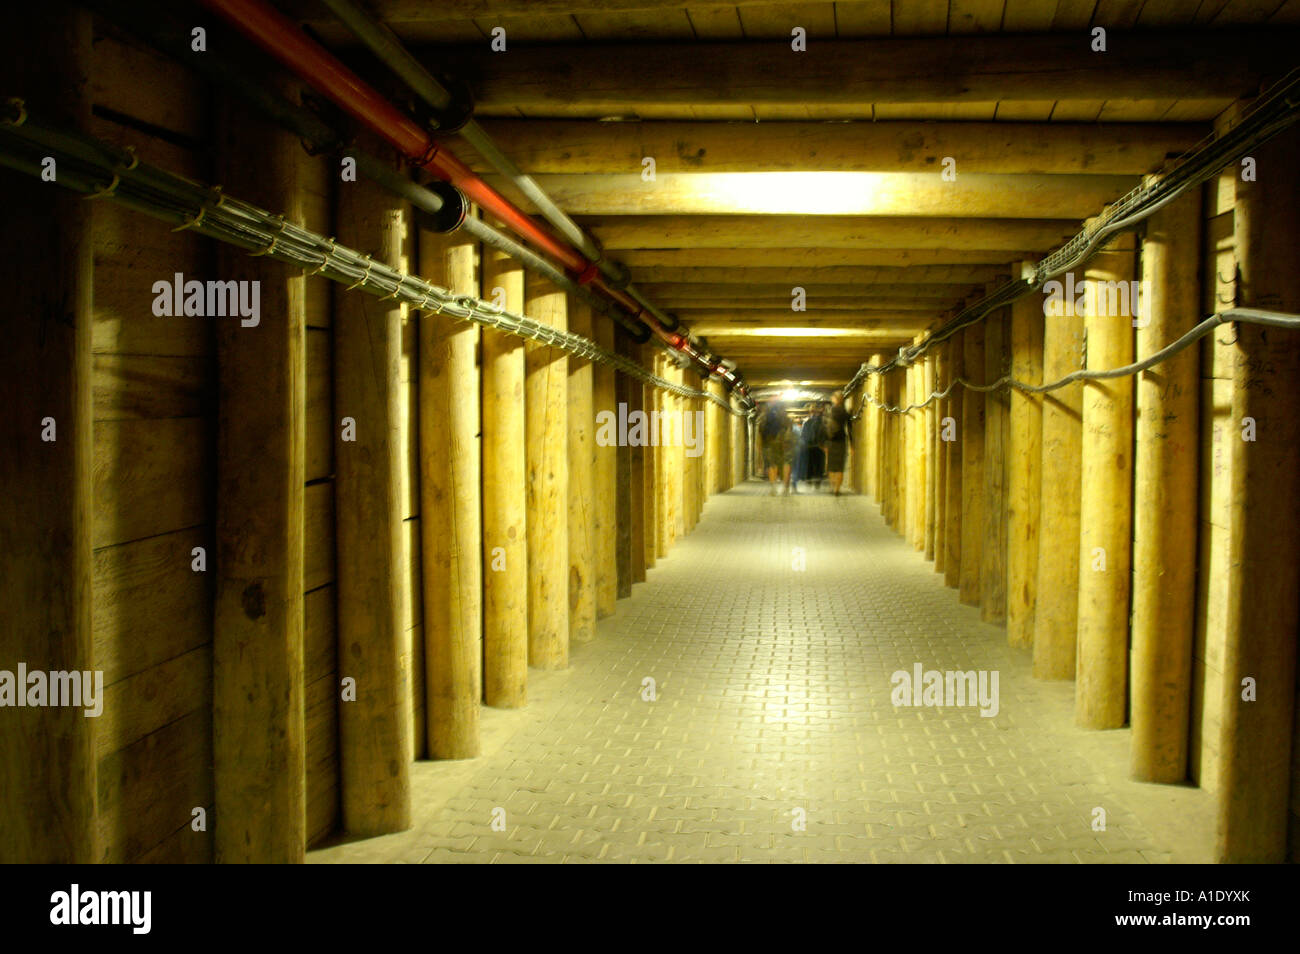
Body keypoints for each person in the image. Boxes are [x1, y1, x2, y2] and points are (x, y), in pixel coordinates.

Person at [758, 401, 793, 495]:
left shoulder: (765, 417)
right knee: (786, 464)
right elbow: (790, 431)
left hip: (769, 444)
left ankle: (773, 487)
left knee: (772, 465)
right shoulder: (786, 419)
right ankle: (785, 488)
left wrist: (761, 445)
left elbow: (761, 430)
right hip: (785, 444)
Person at [825, 392, 852, 496]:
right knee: (840, 466)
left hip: (831, 441)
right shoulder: (845, 412)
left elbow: (825, 427)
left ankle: (832, 486)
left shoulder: (830, 411)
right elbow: (850, 429)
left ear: (835, 399)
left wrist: (823, 442)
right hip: (841, 441)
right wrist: (852, 445)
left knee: (831, 466)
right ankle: (837, 489)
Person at [799, 404, 826, 492]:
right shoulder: (821, 421)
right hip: (819, 446)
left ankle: (809, 480)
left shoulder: (806, 422)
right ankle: (817, 481)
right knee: (818, 465)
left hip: (809, 446)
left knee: (810, 464)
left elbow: (803, 436)